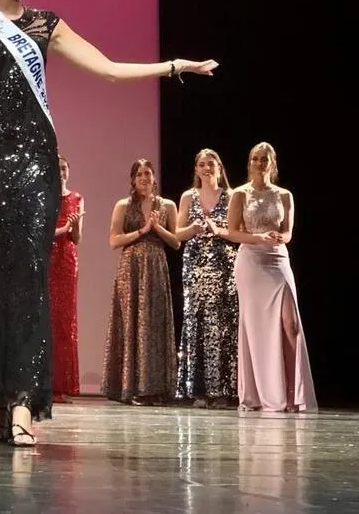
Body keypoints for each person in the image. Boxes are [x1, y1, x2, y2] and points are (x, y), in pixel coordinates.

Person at [0, 0, 217, 446]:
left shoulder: (45, 24)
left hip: (36, 165)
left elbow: (108, 68)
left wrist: (173, 65)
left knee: (29, 279)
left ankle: (23, 406)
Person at [227, 142, 316, 412]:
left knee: (291, 325)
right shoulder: (240, 194)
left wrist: (279, 238)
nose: (259, 163)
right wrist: (259, 238)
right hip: (251, 262)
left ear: (272, 162)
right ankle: (259, 393)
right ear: (250, 162)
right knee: (256, 329)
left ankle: (291, 394)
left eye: (264, 159)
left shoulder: (285, 195)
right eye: (255, 159)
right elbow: (232, 232)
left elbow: (288, 232)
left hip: (277, 260)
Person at [101, 158, 179, 406]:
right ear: (133, 180)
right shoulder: (123, 205)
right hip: (131, 268)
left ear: (154, 177)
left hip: (156, 267)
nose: (144, 178)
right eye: (140, 174)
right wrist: (142, 231)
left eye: (148, 173)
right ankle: (131, 387)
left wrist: (157, 228)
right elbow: (114, 241)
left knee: (153, 325)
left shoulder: (167, 205)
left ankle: (154, 388)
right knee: (132, 323)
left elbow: (176, 242)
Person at [174, 148, 238, 408]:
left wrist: (218, 229)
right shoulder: (188, 196)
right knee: (197, 323)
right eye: (202, 164)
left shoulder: (232, 196)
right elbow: (177, 234)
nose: (206, 168)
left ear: (219, 168)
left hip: (224, 265)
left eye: (211, 164)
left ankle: (223, 390)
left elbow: (238, 232)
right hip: (195, 265)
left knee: (223, 324)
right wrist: (192, 229)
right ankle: (199, 390)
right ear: (196, 170)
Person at [49, 154, 84, 403]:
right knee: (45, 320)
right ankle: (42, 384)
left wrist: (74, 227)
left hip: (66, 262)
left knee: (64, 321)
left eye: (64, 168)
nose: (61, 172)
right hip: (45, 260)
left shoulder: (77, 198)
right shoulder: (43, 197)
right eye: (57, 168)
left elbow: (77, 239)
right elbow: (39, 231)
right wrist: (62, 229)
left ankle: (61, 386)